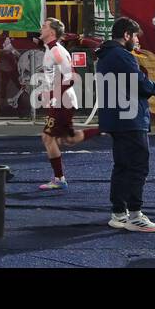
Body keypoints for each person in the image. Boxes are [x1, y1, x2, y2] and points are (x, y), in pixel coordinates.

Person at [95, 16, 155, 232]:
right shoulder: (122, 56)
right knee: (137, 167)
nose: (137, 40)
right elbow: (140, 85)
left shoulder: (106, 55)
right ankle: (134, 215)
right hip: (131, 119)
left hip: (117, 119)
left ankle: (119, 213)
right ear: (126, 35)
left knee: (122, 166)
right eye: (134, 36)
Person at [36, 17, 102, 191]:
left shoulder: (56, 50)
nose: (40, 28)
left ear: (51, 32)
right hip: (60, 100)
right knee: (67, 139)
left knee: (48, 138)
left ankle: (59, 179)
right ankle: (105, 129)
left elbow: (72, 77)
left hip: (62, 100)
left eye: (44, 26)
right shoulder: (51, 49)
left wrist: (50, 94)